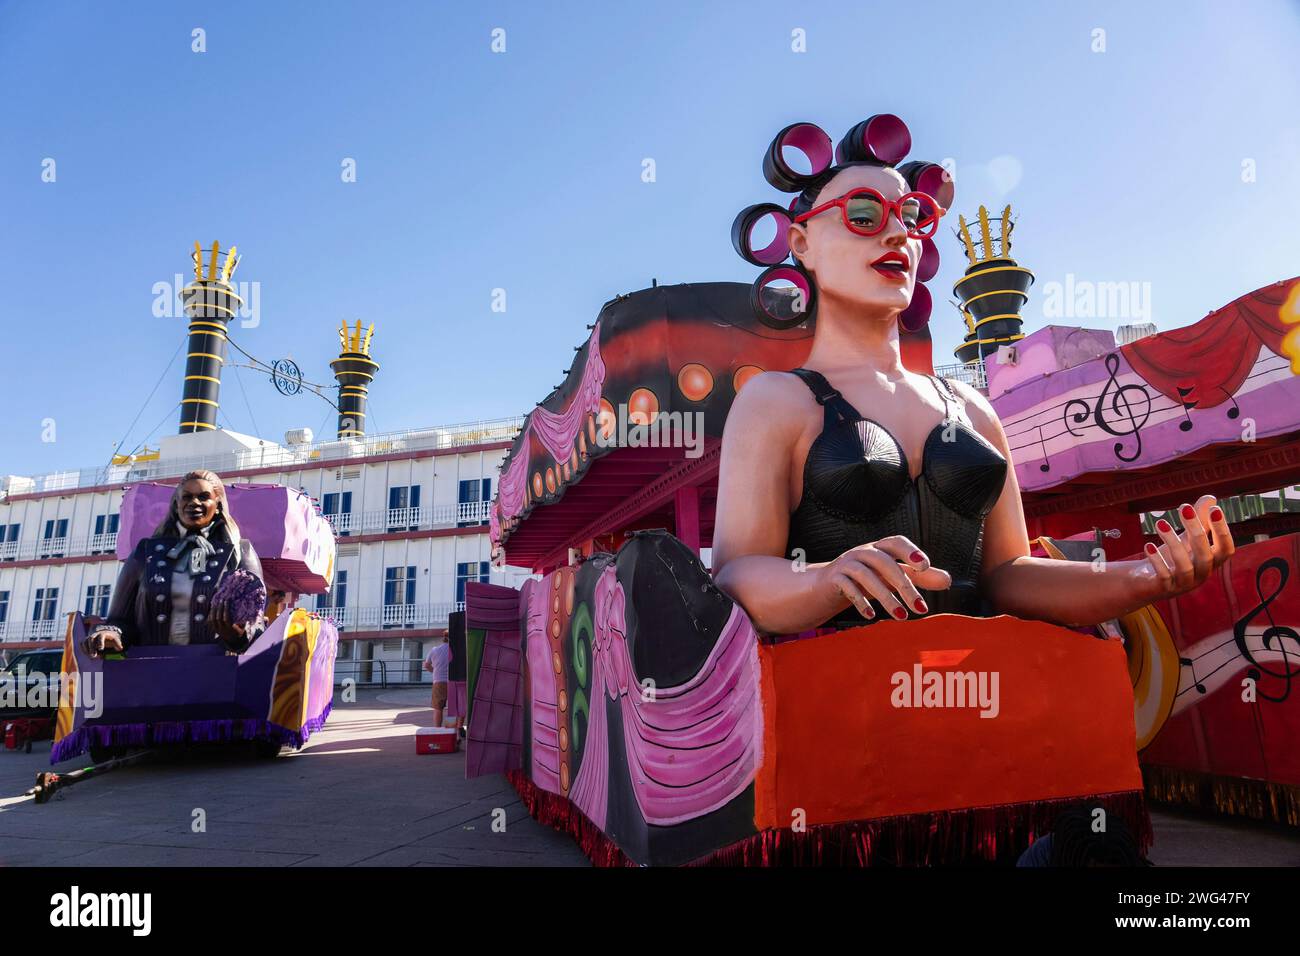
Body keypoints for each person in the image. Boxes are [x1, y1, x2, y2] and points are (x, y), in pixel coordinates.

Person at [712, 117, 1234, 636]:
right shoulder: (777, 400)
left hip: (987, 700)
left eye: (911, 217)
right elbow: (736, 574)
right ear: (800, 244)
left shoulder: (970, 406)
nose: (897, 233)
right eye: (864, 215)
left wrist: (1144, 576)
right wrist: (826, 579)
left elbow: (1008, 574)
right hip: (838, 705)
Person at [85, 470, 268, 656]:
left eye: (204, 497)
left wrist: (235, 635)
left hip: (215, 668)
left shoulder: (239, 551)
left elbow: (256, 622)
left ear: (218, 504)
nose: (194, 502)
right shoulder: (146, 552)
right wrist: (111, 633)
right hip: (150, 667)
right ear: (176, 504)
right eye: (186, 497)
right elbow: (119, 619)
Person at [423, 635, 450, 727]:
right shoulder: (455, 650)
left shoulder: (434, 650)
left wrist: (434, 671)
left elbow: (426, 665)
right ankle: (451, 731)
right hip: (453, 682)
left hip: (438, 681)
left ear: (443, 638)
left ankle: (437, 730)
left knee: (438, 708)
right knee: (452, 708)